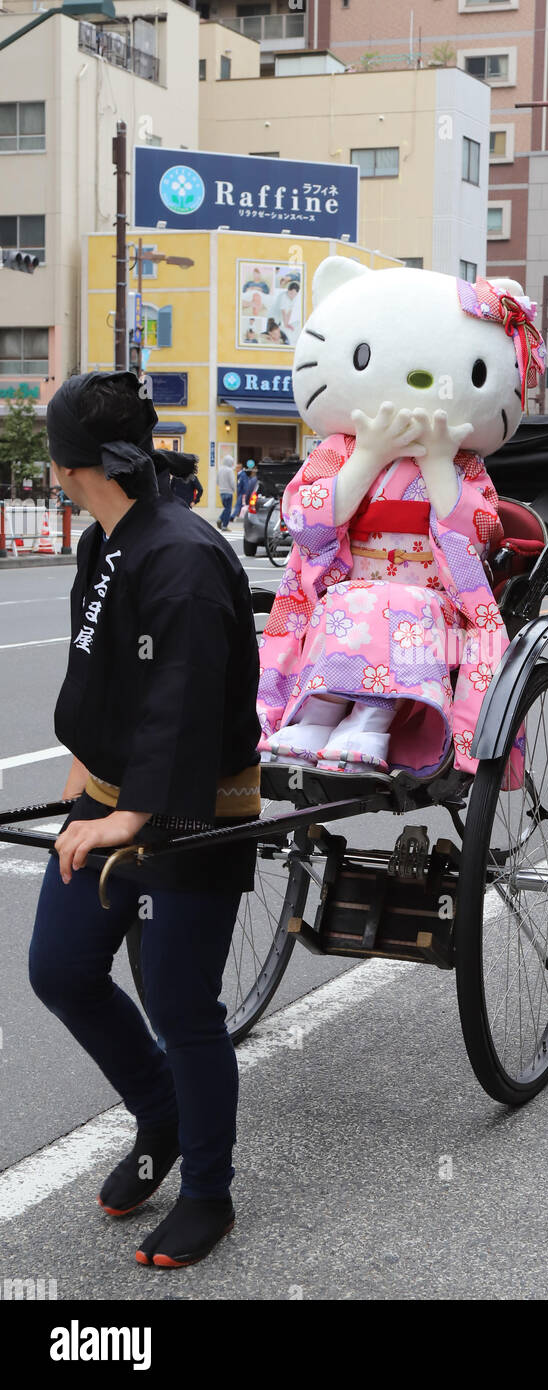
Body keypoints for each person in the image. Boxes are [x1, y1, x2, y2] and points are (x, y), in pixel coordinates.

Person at [30, 370, 261, 1268]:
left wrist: (133, 816)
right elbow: (105, 673)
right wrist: (89, 767)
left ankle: (209, 1191)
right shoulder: (110, 540)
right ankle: (159, 1114)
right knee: (62, 969)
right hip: (116, 789)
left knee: (179, 1002)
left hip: (195, 804)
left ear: (69, 461)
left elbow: (187, 703)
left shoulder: (184, 556)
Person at [217, 453, 236, 530]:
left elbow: (217, 481)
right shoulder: (230, 470)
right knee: (228, 509)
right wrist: (234, 489)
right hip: (229, 492)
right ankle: (224, 525)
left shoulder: (220, 470)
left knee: (226, 508)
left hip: (222, 492)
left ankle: (220, 519)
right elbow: (232, 482)